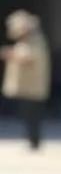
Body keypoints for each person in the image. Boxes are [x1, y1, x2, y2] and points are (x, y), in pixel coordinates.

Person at [1, 9, 51, 150]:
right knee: (27, 116)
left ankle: (34, 141)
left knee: (32, 116)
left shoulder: (35, 40)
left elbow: (28, 57)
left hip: (33, 88)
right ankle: (31, 139)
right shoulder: (27, 41)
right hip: (27, 87)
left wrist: (10, 54)